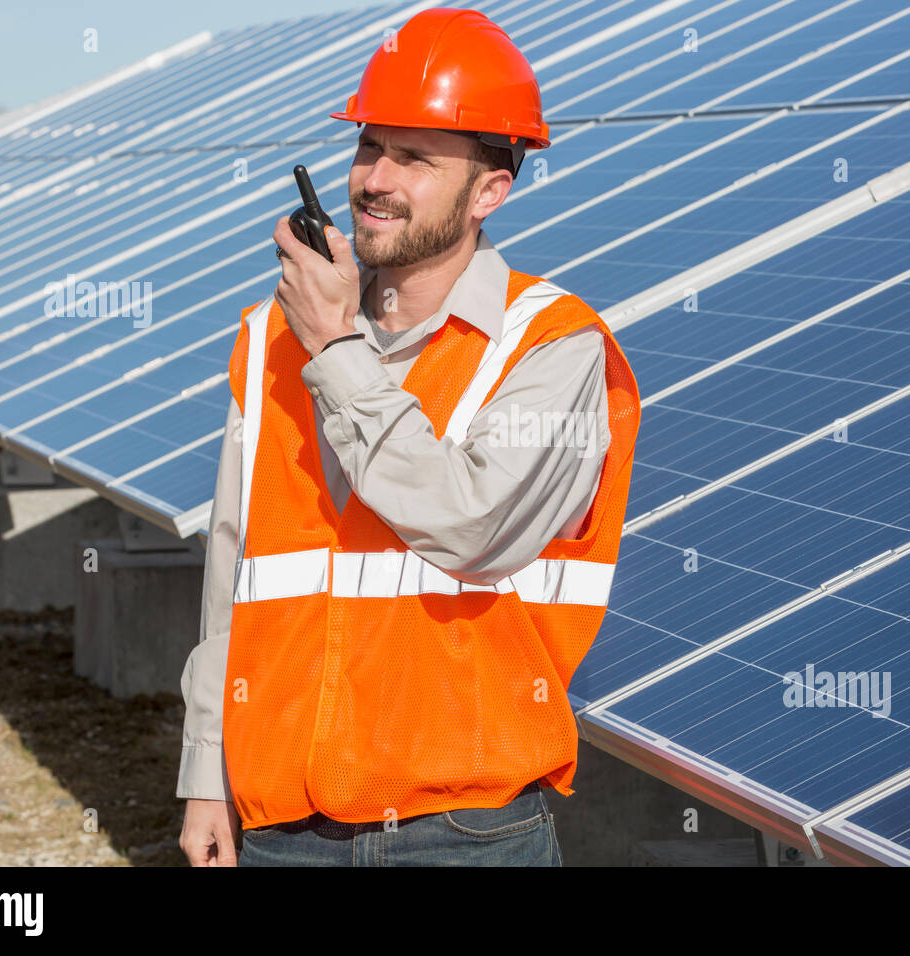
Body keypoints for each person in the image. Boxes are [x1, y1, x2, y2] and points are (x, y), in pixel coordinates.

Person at [176, 7, 640, 867]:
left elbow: (475, 528)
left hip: (466, 833)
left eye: (415, 157)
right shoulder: (266, 337)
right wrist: (207, 769)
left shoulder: (553, 346)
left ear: (490, 190)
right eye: (367, 147)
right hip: (284, 827)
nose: (374, 179)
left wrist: (340, 352)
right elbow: (234, 569)